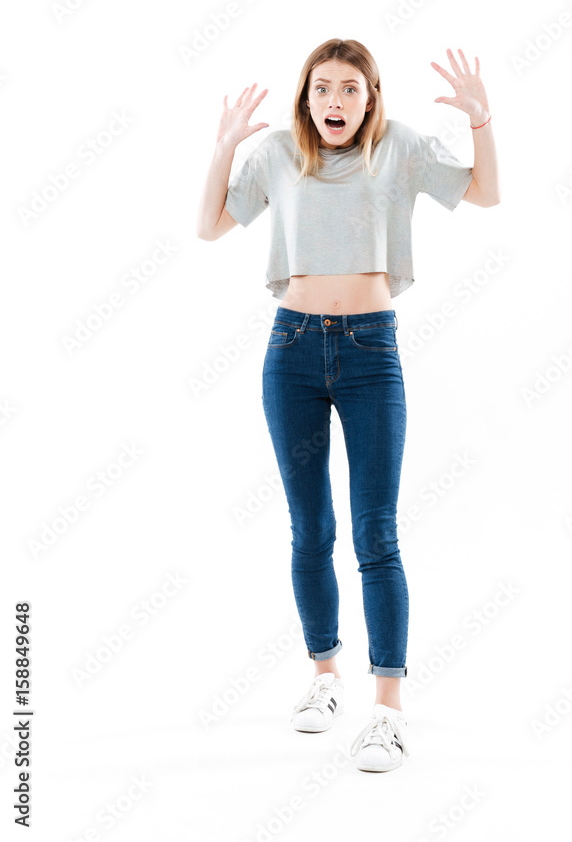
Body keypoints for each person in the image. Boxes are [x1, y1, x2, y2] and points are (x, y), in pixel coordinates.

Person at [197, 38, 500, 773]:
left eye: (350, 90)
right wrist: (223, 146)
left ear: (371, 98)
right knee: (310, 530)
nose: (335, 102)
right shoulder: (275, 154)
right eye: (322, 89)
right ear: (306, 97)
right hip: (291, 351)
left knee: (375, 532)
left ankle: (388, 711)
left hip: (370, 354)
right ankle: (323, 677)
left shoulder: (398, 149)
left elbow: (484, 194)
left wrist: (483, 122)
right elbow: (210, 227)